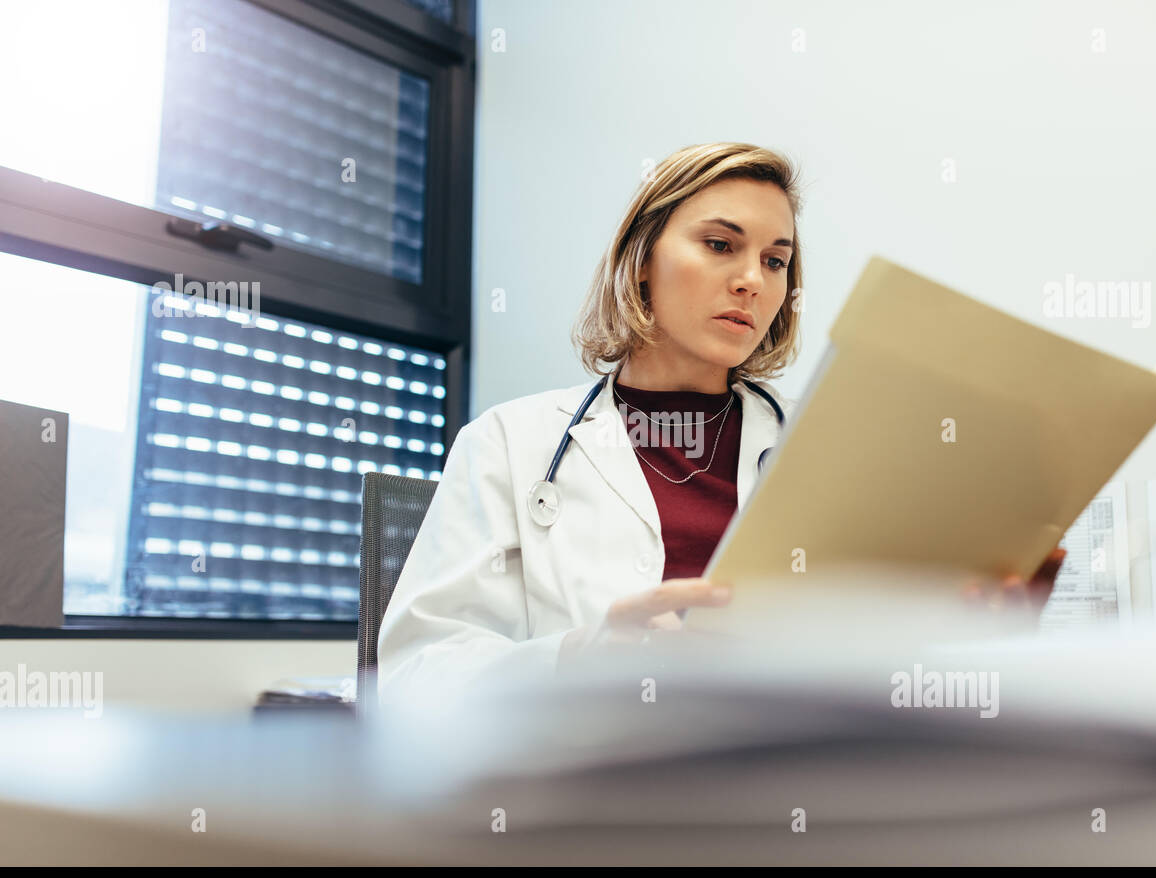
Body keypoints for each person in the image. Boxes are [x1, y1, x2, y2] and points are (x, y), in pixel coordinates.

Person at [376, 142, 1063, 704]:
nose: (752, 281)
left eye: (775, 260)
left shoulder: (829, 449)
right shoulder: (508, 444)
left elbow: (873, 671)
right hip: (592, 800)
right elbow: (417, 677)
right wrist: (582, 653)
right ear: (642, 260)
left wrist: (978, 633)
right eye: (719, 245)